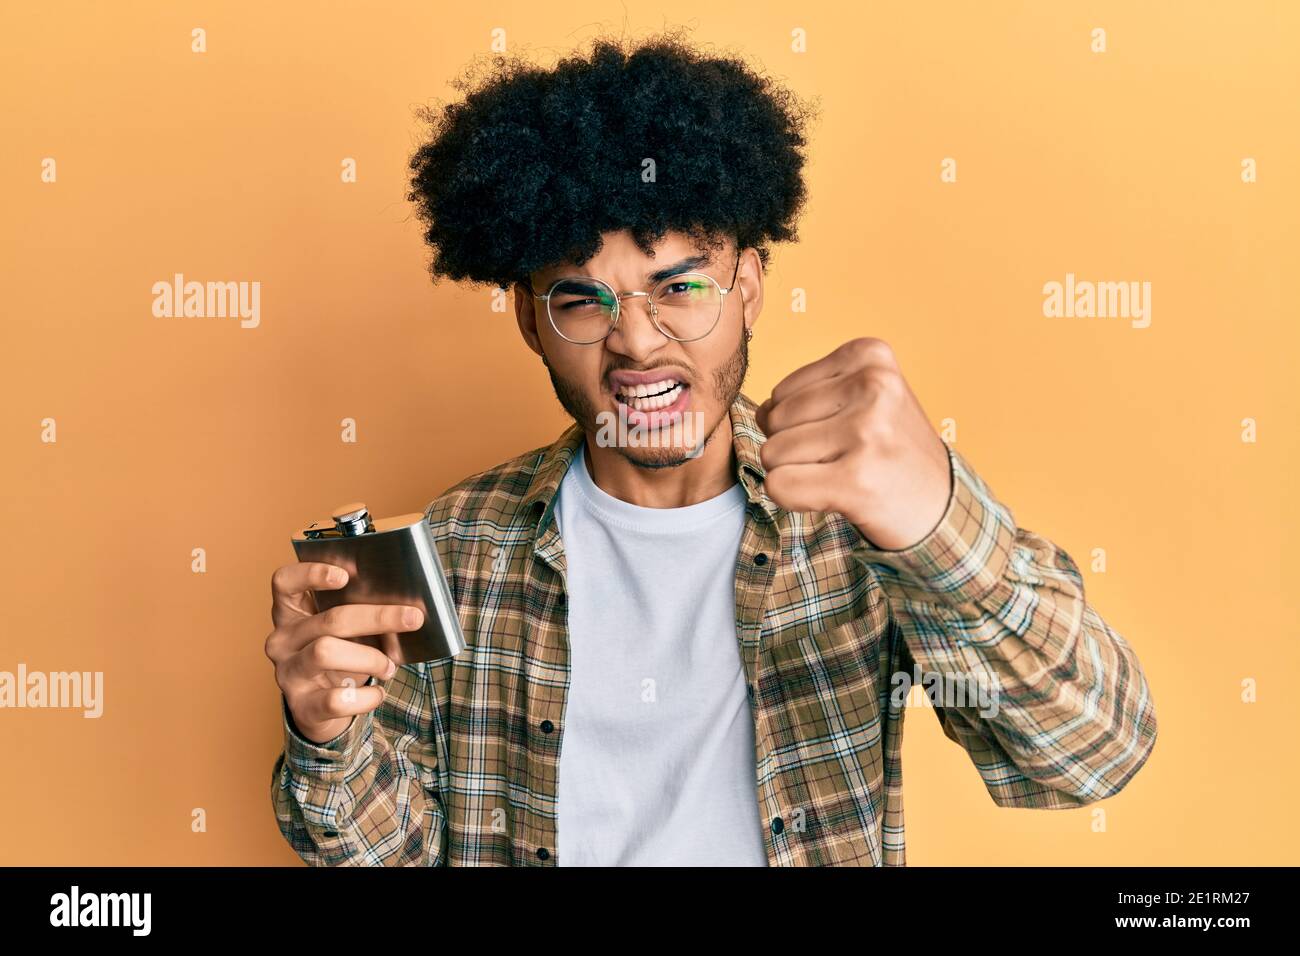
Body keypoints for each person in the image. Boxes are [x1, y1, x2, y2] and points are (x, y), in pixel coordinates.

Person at [266, 30, 1157, 866]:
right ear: (531, 322)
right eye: (584, 302)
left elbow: (1090, 758)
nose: (639, 343)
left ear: (750, 286)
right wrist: (326, 737)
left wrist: (936, 529)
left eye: (680, 288)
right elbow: (394, 853)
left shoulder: (861, 521)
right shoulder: (458, 549)